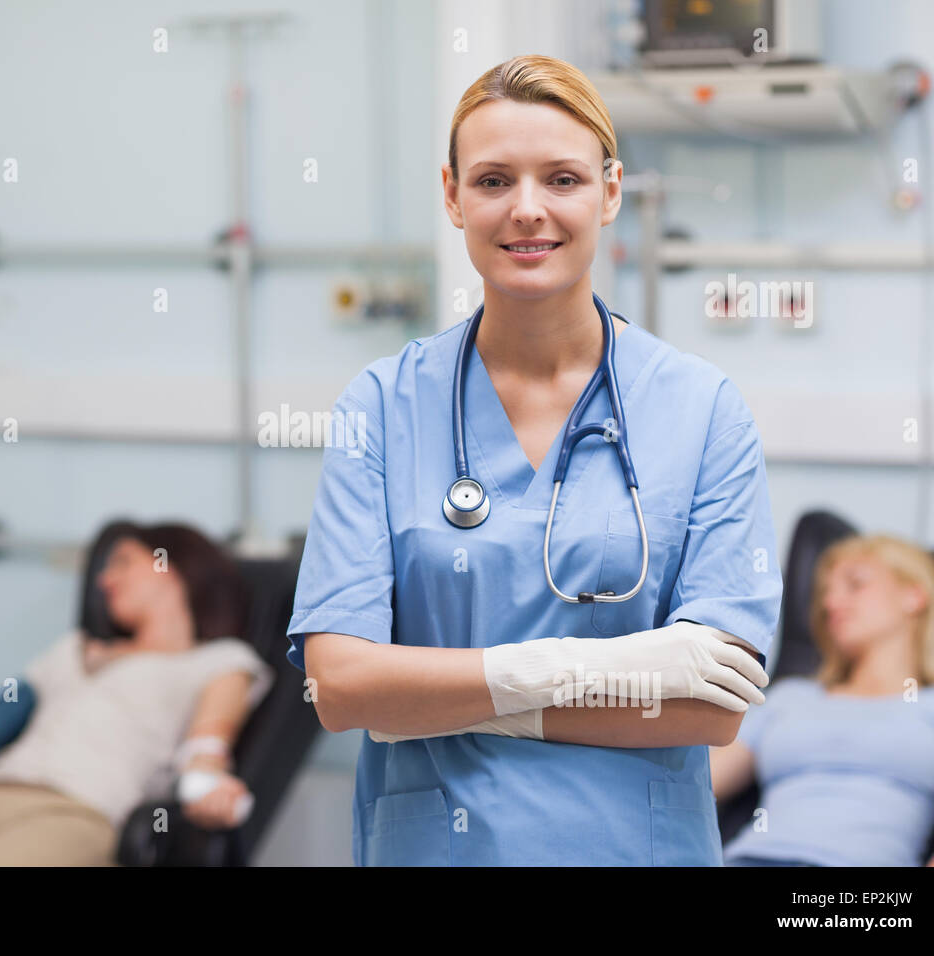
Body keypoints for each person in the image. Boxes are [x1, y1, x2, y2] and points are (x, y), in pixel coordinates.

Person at [285, 54, 783, 866]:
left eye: (561, 179)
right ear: (451, 194)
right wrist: (601, 669)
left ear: (610, 192)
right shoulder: (380, 407)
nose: (527, 211)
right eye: (491, 181)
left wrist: (430, 697)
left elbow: (709, 706)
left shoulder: (702, 409)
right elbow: (341, 688)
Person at [0, 521, 274, 866]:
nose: (104, 581)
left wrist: (205, 789)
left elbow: (207, 746)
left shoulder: (218, 660)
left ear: (172, 567)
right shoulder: (71, 651)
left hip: (76, 813)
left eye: (122, 562)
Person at [712, 534, 934, 866]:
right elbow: (698, 784)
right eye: (826, 593)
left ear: (913, 596)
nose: (831, 603)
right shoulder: (789, 697)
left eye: (855, 585)